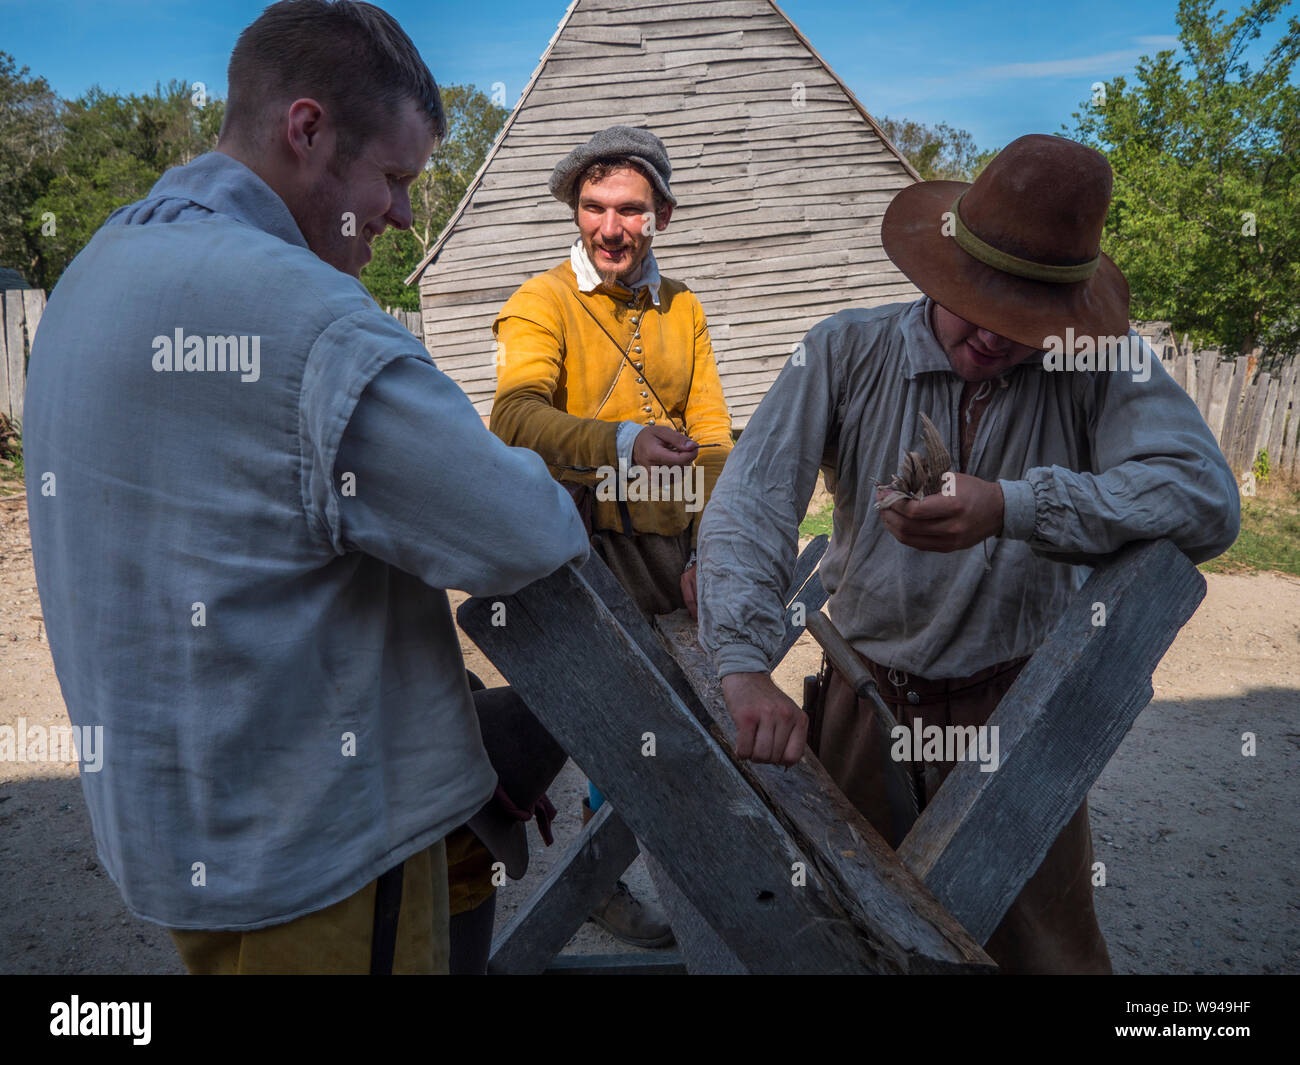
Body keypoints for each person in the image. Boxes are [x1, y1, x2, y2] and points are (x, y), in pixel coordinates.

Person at [23, 0, 588, 975]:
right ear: (308, 128)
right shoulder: (305, 319)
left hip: (183, 833)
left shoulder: (93, 276)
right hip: (320, 860)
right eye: (396, 177)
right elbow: (519, 526)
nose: (404, 214)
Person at [696, 133, 1240, 974]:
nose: (993, 336)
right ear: (939, 271)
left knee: (1046, 956)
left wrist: (1016, 505)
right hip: (860, 706)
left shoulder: (1097, 362)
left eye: (1025, 322)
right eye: (978, 302)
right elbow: (751, 504)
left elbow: (1206, 502)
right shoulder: (845, 349)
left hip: (1018, 718)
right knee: (848, 943)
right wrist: (740, 662)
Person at [487, 125, 734, 947]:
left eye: (630, 208)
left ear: (661, 212)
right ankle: (592, 879)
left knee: (678, 725)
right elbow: (516, 418)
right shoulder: (539, 302)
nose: (610, 226)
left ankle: (693, 878)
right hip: (580, 553)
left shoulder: (685, 307)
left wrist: (709, 549)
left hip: (672, 556)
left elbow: (715, 439)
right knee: (599, 722)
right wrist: (622, 441)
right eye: (593, 207)